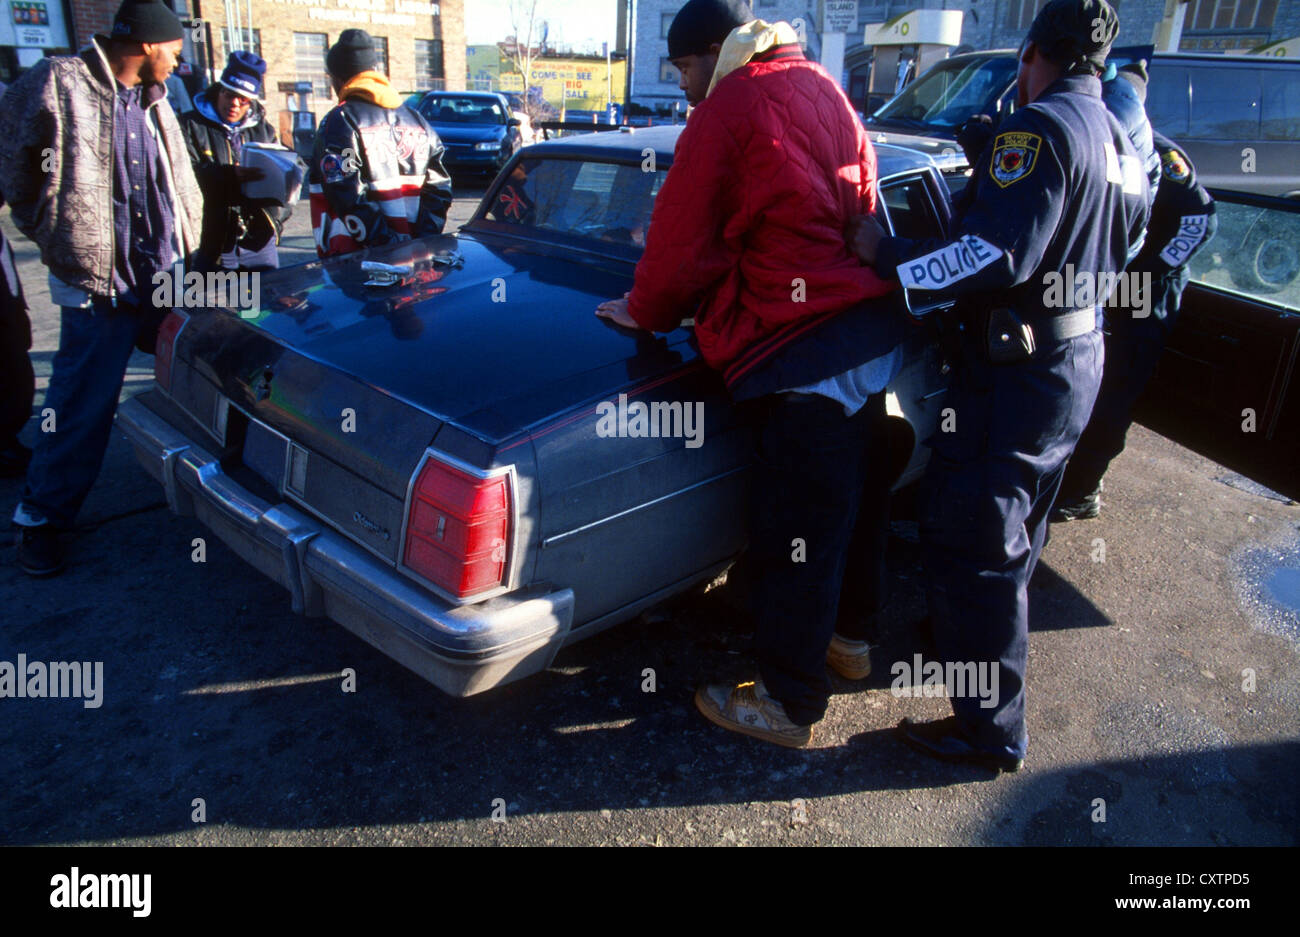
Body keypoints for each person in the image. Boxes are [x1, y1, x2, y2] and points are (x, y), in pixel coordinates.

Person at [849, 0, 1149, 772]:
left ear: (1033, 55)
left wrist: (889, 255)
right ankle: (965, 648)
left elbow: (994, 256)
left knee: (975, 543)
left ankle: (988, 731)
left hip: (1016, 375)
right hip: (1076, 360)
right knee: (1018, 532)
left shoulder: (1038, 128)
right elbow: (1121, 234)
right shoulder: (1119, 133)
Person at [595, 0, 900, 747]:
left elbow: (682, 235)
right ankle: (849, 642)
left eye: (683, 67)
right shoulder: (822, 86)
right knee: (850, 509)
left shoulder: (731, 103)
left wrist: (644, 308)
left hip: (801, 350)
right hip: (865, 334)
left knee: (797, 528)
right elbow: (864, 200)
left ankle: (787, 703)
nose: (682, 86)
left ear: (712, 51)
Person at [0, 0, 203, 576]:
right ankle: (39, 517)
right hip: (100, 283)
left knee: (200, 371)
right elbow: (15, 164)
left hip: (161, 274)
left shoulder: (156, 99)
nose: (179, 61)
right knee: (80, 402)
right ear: (145, 45)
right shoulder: (59, 83)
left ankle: (204, 494)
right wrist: (53, 233)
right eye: (175, 50)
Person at [1054, 120, 1217, 520]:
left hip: (1144, 292)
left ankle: (1082, 490)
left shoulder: (1160, 154)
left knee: (1114, 394)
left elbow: (1201, 220)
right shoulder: (1092, 134)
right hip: (1105, 284)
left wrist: (1142, 273)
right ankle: (1069, 476)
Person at [309, 28, 452, 258]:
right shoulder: (418, 121)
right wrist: (422, 243)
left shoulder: (339, 121)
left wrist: (389, 248)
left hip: (358, 263)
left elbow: (347, 196)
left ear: (337, 78)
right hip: (415, 259)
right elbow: (439, 188)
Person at [181, 51, 286, 271]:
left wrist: (276, 219)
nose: (235, 104)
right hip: (211, 241)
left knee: (260, 303)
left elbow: (285, 189)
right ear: (219, 90)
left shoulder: (264, 130)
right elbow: (183, 176)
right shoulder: (191, 125)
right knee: (214, 303)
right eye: (229, 94)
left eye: (244, 99)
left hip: (258, 241)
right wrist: (227, 175)